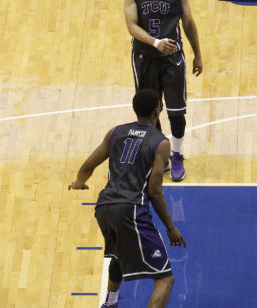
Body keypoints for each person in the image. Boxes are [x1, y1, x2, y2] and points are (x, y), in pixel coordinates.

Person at [69, 89, 186, 308]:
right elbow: (154, 191)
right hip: (130, 209)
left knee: (120, 253)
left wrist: (78, 183)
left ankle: (110, 302)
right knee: (164, 278)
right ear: (156, 111)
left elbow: (87, 166)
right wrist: (170, 227)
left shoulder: (115, 132)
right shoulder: (160, 143)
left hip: (103, 207)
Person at [124, 0, 203, 182]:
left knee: (177, 111)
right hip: (145, 58)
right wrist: (155, 42)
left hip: (172, 59)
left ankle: (177, 154)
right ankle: (160, 155)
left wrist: (198, 53)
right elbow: (132, 26)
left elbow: (188, 23)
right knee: (150, 111)